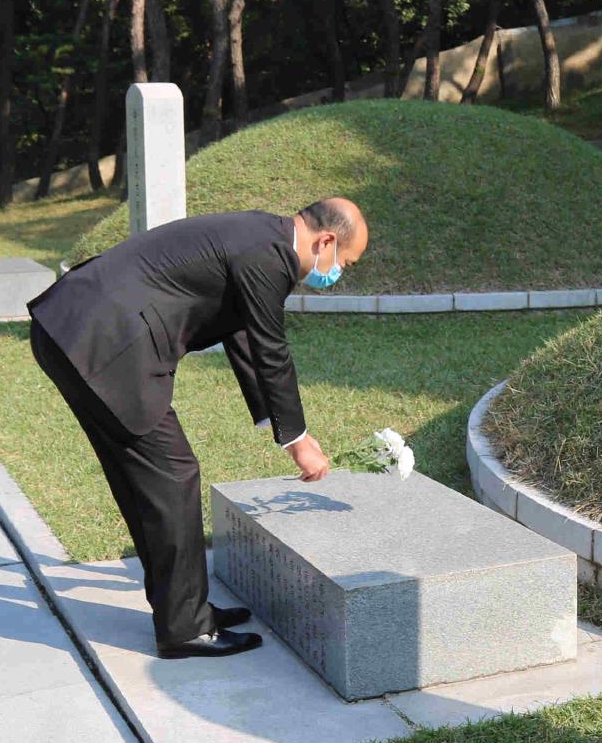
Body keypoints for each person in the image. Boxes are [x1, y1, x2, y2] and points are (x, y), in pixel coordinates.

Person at [27, 198, 367, 658]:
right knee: (172, 475)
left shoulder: (259, 234)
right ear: (326, 240)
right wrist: (299, 440)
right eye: (343, 262)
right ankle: (185, 627)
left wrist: (279, 426)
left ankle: (184, 610)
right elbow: (271, 348)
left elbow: (243, 332)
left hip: (73, 329)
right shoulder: (271, 255)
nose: (334, 273)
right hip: (103, 342)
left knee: (149, 480)